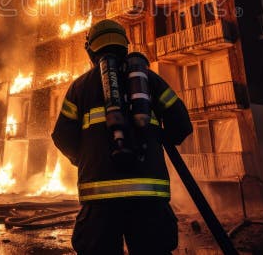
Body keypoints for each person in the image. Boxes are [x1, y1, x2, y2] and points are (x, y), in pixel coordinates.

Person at [51, 19, 193, 255]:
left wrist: (84, 157)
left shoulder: (80, 87)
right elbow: (181, 125)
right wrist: (155, 141)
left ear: (91, 50)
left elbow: (62, 136)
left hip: (99, 201)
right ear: (124, 46)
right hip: (149, 198)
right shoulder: (150, 80)